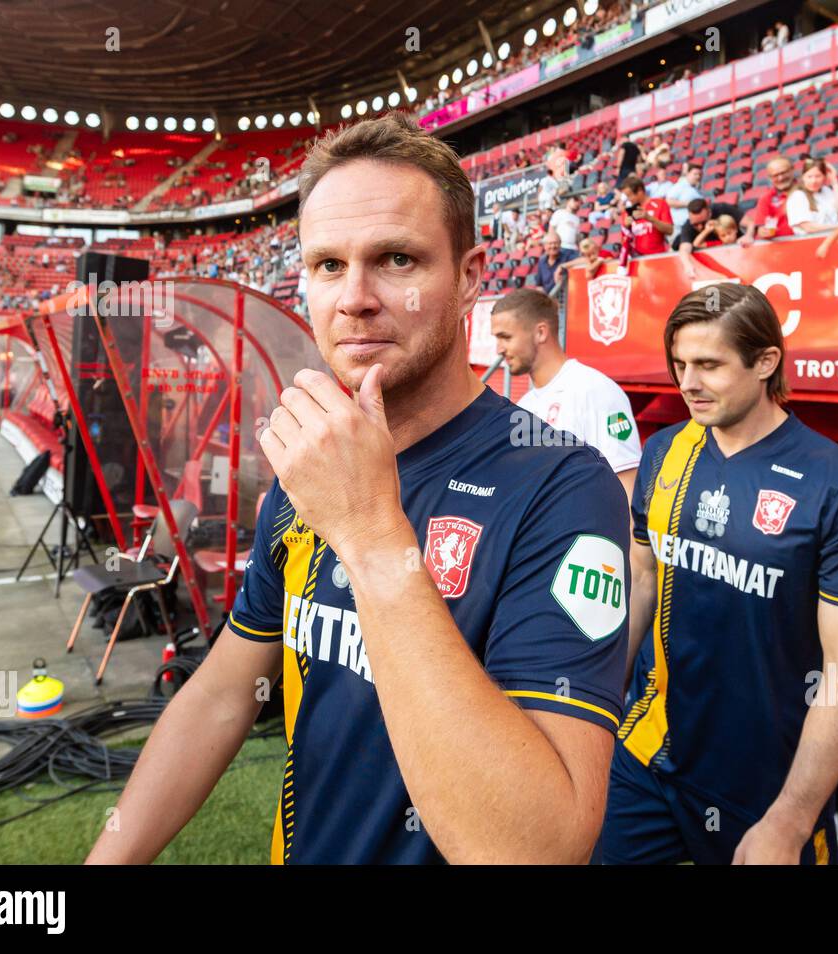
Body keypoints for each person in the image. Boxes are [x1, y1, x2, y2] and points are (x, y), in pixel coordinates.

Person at [86, 113, 630, 865]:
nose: (355, 298)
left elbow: (534, 848)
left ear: (471, 276)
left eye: (397, 260)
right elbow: (221, 695)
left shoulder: (562, 487)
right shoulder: (316, 462)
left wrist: (372, 533)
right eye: (327, 265)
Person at [601, 283, 838, 865]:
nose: (688, 382)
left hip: (765, 785)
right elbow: (641, 579)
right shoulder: (665, 451)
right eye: (680, 364)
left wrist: (790, 821)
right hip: (645, 749)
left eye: (709, 364)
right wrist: (599, 702)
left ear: (766, 362)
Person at [490, 288, 641, 501]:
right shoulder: (525, 404)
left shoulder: (595, 390)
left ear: (540, 332)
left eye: (505, 337)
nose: (499, 349)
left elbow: (626, 487)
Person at [676, 197, 749, 278]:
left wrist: (748, 236)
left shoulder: (722, 208)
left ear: (709, 213)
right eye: (695, 224)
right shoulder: (687, 226)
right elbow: (686, 248)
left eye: (703, 223)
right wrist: (687, 265)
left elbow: (750, 223)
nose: (700, 227)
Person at [786, 158, 838, 234]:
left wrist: (834, 182)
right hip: (814, 241)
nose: (813, 181)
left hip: (836, 237)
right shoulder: (797, 196)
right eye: (809, 177)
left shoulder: (826, 190)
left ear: (824, 176)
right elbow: (808, 227)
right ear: (803, 177)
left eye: (818, 176)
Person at [742, 156, 796, 240]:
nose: (780, 178)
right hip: (779, 246)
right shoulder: (766, 199)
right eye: (775, 175)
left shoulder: (808, 189)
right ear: (770, 178)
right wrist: (762, 231)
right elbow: (761, 228)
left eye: (783, 173)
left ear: (792, 170)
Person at [620, 174, 674, 257]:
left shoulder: (660, 204)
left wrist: (649, 218)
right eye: (627, 196)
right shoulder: (627, 212)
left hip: (659, 256)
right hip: (638, 259)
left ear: (640, 190)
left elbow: (670, 230)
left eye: (630, 195)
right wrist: (625, 227)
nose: (629, 199)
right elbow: (623, 242)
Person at [534, 231, 578, 295]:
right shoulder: (541, 262)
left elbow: (585, 260)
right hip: (548, 299)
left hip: (564, 298)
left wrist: (562, 266)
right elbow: (539, 285)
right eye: (550, 243)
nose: (553, 246)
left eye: (556, 243)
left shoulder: (567, 255)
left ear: (560, 244)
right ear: (544, 246)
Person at [663, 163, 705, 230]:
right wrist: (690, 204)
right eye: (695, 174)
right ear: (688, 173)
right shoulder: (680, 185)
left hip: (694, 225)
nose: (698, 176)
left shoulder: (696, 190)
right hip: (680, 226)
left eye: (700, 175)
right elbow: (669, 201)